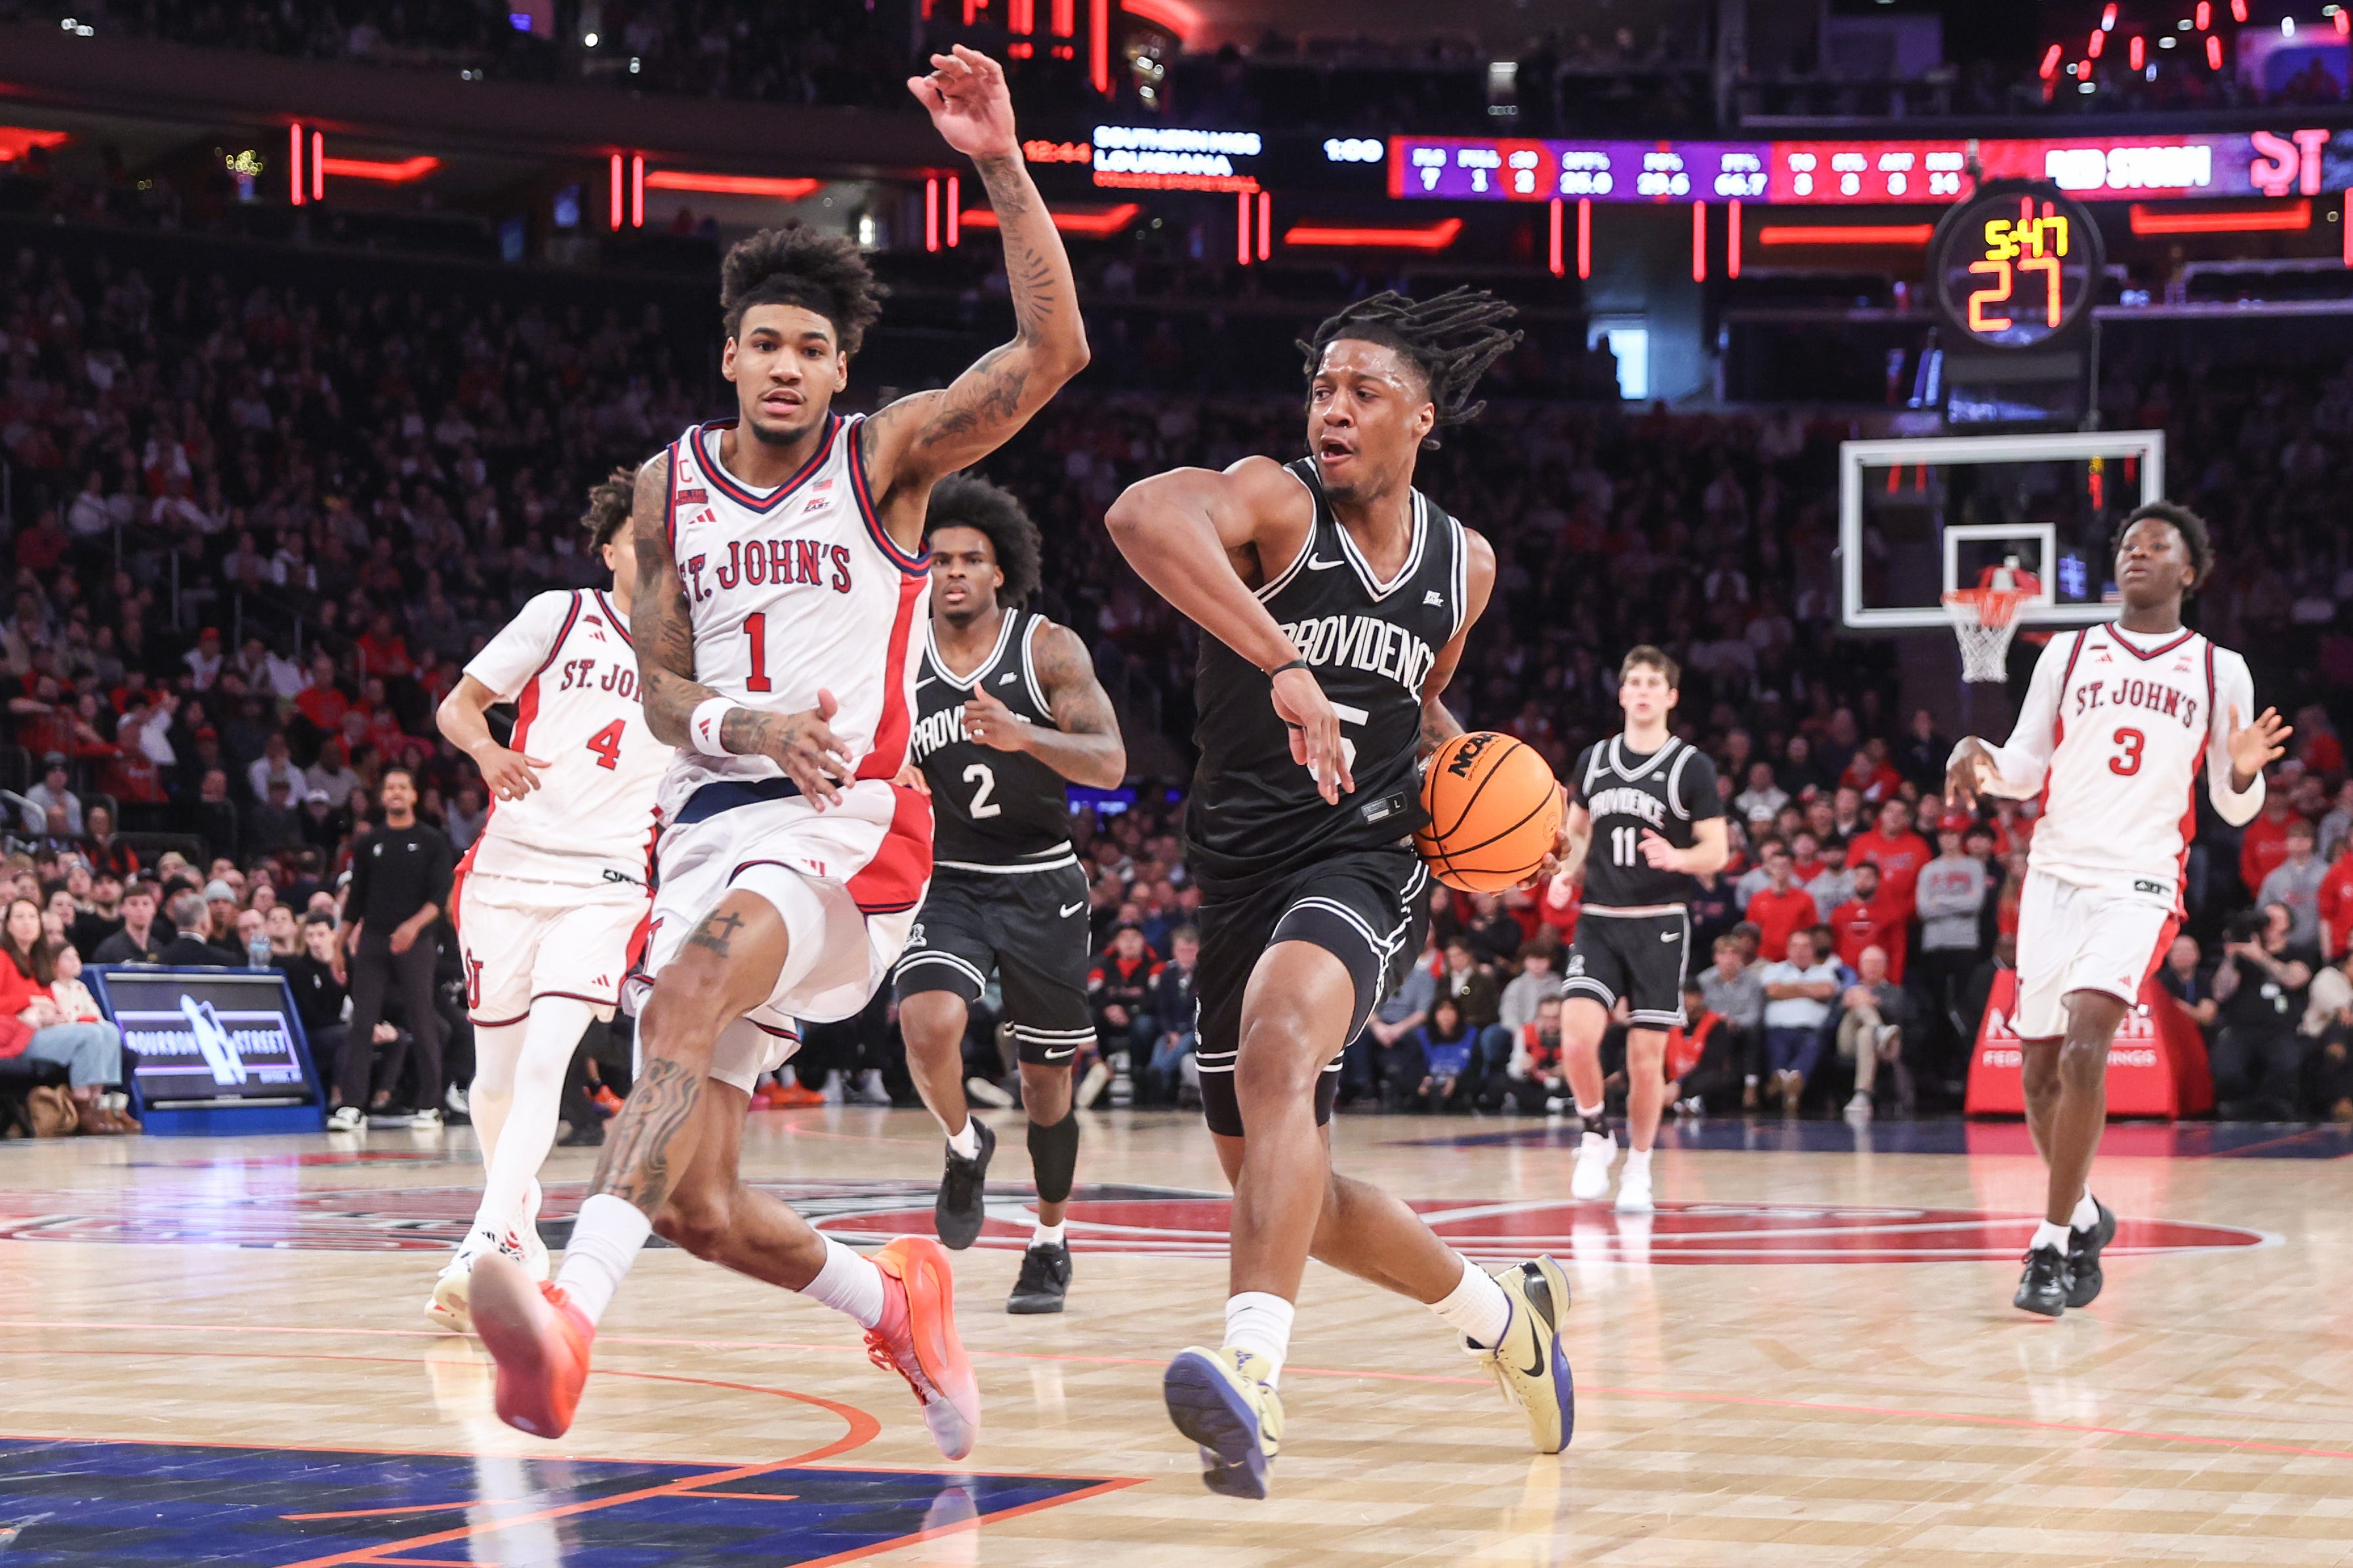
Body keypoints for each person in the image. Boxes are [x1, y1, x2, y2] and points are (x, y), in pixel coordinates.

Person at [465, 45, 1088, 1458]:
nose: (791, 365)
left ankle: (567, 1320)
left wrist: (996, 160)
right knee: (696, 1200)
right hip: (704, 825)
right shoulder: (660, 489)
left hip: (847, 822)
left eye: (815, 347)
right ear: (729, 353)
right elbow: (665, 687)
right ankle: (898, 1297)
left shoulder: (885, 462)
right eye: (768, 343)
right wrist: (738, 721)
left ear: (841, 368)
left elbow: (1051, 357)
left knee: (686, 986)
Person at [1106, 284, 1572, 1498]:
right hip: (1239, 871)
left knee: (1278, 1051)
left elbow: (1416, 710)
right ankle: (1501, 1317)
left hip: (1367, 854)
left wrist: (1510, 817)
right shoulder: (1272, 497)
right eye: (1321, 387)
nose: (1333, 408)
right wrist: (1283, 664)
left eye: (1364, 391)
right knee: (1288, 1183)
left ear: (1421, 418)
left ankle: (1252, 1380)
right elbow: (1141, 515)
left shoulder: (1460, 563)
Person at [1948, 500, 2286, 1317]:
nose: (2136, 554)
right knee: (2036, 1076)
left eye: (2156, 546)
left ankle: (2048, 1244)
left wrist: (2242, 772)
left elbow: (2230, 807)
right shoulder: (2065, 653)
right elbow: (2027, 765)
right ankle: (2088, 1213)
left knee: (2087, 1043)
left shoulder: (2217, 669)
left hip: (2138, 879)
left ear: (2188, 572)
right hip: (2054, 876)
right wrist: (1977, 758)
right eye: (2128, 544)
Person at [424, 472, 668, 1333]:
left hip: (603, 883)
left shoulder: (693, 648)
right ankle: (520, 1228)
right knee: (490, 1080)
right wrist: (488, 754)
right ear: (608, 549)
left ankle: (484, 1240)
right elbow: (458, 706)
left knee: (542, 1067)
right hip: (505, 870)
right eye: (638, 536)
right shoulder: (557, 614)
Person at [890, 474, 1125, 1312]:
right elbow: (856, 740)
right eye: (938, 558)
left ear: (1000, 572)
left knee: (1045, 1087)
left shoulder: (1046, 648)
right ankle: (962, 1146)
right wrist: (889, 767)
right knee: (926, 1023)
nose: (952, 571)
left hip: (1040, 881)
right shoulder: (895, 644)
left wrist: (1022, 732)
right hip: (947, 876)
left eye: (970, 559)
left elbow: (1109, 762)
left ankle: (1049, 1240)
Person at [1554, 645, 1727, 1212]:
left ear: (1671, 696)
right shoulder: (1596, 759)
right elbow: (1576, 831)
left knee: (1643, 1060)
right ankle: (1593, 1131)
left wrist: (1677, 858)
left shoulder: (1691, 766)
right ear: (1623, 693)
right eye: (1635, 681)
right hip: (1599, 919)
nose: (1644, 690)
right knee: (1576, 1037)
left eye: (1655, 681)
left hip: (1658, 925)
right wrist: (1564, 872)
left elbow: (1716, 851)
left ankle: (1640, 1167)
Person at [337, 769, 454, 1131]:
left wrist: (413, 926)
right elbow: (355, 901)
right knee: (362, 1021)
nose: (396, 793)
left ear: (414, 795)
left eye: (403, 787)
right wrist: (339, 946)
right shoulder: (369, 841)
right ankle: (353, 1106)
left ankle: (429, 1105)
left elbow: (439, 896)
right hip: (373, 937)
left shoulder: (433, 841)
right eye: (390, 788)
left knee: (422, 1019)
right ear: (382, 796)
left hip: (415, 940)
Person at [0, 898, 134, 1132]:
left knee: (109, 1031)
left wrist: (52, 1013)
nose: (27, 924)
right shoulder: (2, 958)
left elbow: (48, 999)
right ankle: (82, 1106)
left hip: (43, 1029)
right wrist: (30, 1003)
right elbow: (17, 1001)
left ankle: (98, 1104)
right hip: (16, 1034)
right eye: (19, 917)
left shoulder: (37, 962)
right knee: (89, 1036)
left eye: (32, 917)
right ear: (8, 925)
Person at [2209, 904, 2316, 1120]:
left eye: (2276, 919)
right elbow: (2220, 992)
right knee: (2227, 1066)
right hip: (2241, 1028)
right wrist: (2231, 957)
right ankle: (2238, 1110)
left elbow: (2294, 979)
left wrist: (2260, 957)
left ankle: (2276, 1111)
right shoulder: (2243, 953)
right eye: (2265, 918)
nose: (2269, 923)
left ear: (2288, 925)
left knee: (2285, 1065)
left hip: (2281, 1029)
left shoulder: (2298, 951)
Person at [1759, 928, 1839, 1114]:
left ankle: (1786, 1081)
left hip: (1812, 1031)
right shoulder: (1773, 969)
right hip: (1778, 1030)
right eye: (1795, 946)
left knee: (1813, 1044)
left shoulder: (1825, 972)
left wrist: (1791, 988)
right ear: (1788, 950)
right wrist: (1810, 991)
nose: (1800, 951)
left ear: (1813, 950)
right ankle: (1789, 1085)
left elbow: (1827, 991)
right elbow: (1774, 991)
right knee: (1777, 1044)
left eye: (1805, 947)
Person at [1835, 945, 1909, 1121]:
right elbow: (1830, 1022)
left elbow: (1900, 1015)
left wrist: (1875, 1002)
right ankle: (1879, 1030)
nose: (1873, 967)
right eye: (1868, 962)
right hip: (1848, 1042)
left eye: (1878, 963)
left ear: (1886, 966)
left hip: (1886, 1047)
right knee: (1858, 1001)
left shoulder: (1895, 992)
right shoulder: (1848, 992)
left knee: (1866, 1034)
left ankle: (1862, 1095)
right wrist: (1843, 1006)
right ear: (1860, 966)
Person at [2257, 817, 2326, 951]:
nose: (2299, 842)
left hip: (2318, 945)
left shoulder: (2328, 874)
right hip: (2282, 947)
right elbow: (2262, 912)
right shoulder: (2274, 878)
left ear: (2312, 842)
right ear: (2286, 842)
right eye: (2294, 837)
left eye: (2304, 837)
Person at [1743, 841, 1815, 963]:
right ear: (1769, 868)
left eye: (1785, 865)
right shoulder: (1757, 899)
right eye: (1776, 865)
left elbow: (1810, 932)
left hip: (1794, 961)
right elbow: (1751, 933)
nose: (1780, 870)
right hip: (1764, 959)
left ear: (1792, 868)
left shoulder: (1805, 898)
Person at [92, 880, 167, 964]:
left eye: (146, 904)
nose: (140, 909)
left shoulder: (159, 950)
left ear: (154, 909)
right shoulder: (108, 950)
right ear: (122, 909)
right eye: (133, 904)